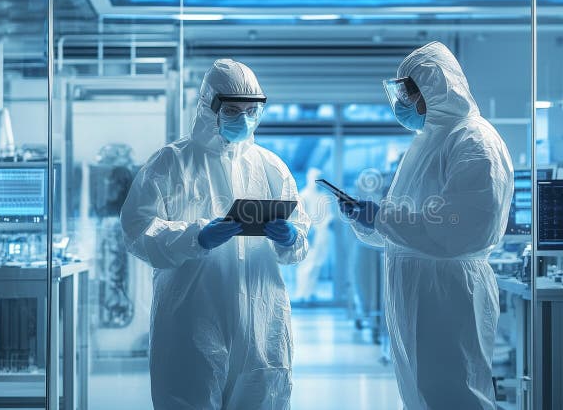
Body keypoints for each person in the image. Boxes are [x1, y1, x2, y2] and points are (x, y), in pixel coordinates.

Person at [120, 59, 310, 409]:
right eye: (233, 110)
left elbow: (300, 235)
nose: (244, 119)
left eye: (252, 110)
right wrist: (195, 237)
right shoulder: (170, 162)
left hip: (261, 324)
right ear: (209, 107)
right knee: (189, 396)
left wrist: (289, 239)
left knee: (263, 399)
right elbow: (136, 229)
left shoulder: (271, 167)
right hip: (192, 319)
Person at [339, 41, 513, 409]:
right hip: (419, 291)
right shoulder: (428, 143)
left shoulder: (473, 140)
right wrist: (365, 220)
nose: (401, 102)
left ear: (436, 86)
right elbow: (402, 230)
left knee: (455, 395)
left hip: (448, 293)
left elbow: (461, 228)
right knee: (423, 394)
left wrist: (381, 217)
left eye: (408, 92)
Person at [293, 168, 334, 302]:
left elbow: (328, 215)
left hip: (322, 235)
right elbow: (300, 216)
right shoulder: (304, 195)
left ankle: (310, 293)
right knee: (306, 265)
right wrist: (307, 232)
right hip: (310, 235)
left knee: (317, 264)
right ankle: (301, 294)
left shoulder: (323, 196)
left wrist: (329, 221)